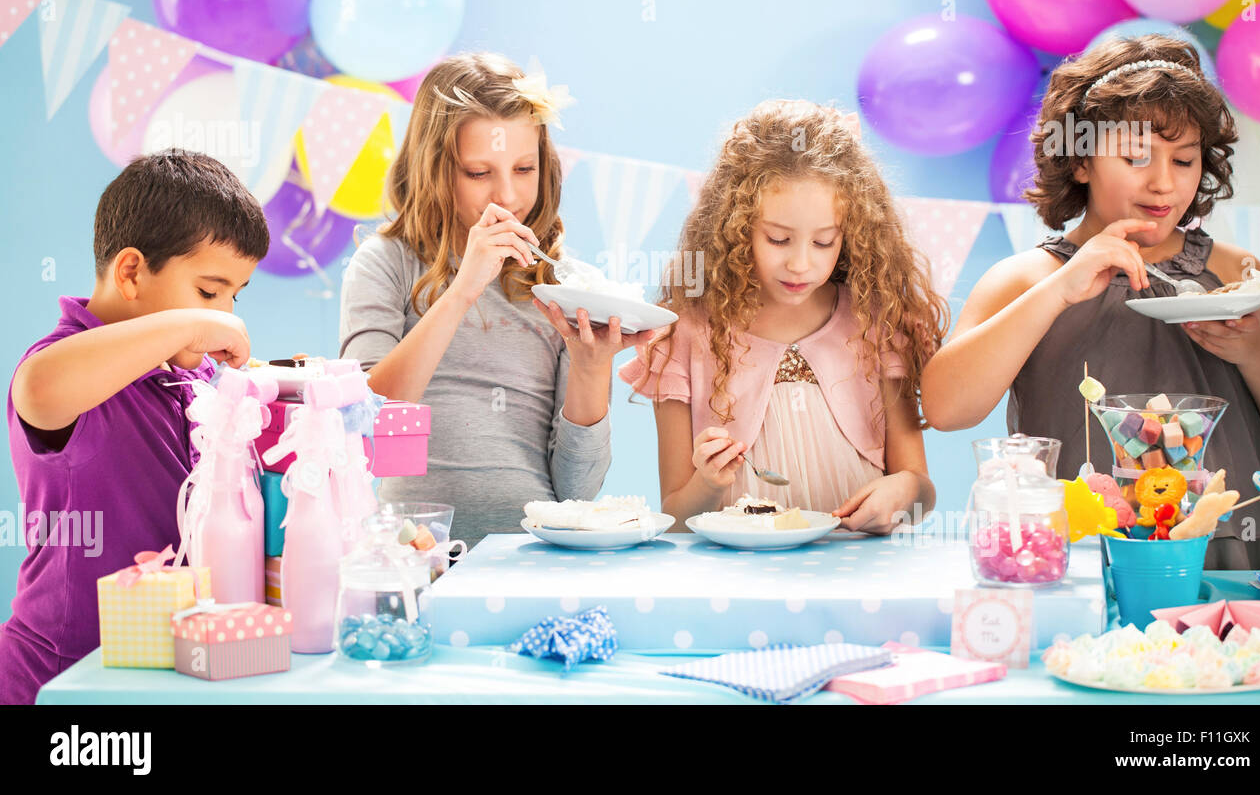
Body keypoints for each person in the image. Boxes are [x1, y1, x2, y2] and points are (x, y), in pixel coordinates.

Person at [921, 35, 1260, 569]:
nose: (1164, 182)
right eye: (1135, 156)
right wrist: (1058, 291)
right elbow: (946, 409)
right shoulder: (1030, 278)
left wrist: (1257, 349)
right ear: (1080, 162)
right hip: (1081, 554)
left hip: (1236, 551)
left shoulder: (1238, 277)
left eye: (1185, 160)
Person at [340, 52, 652, 547]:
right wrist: (463, 290)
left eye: (524, 168)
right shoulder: (386, 264)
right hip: (414, 553)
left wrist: (592, 368)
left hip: (529, 559)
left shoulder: (569, 287)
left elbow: (576, 491)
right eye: (479, 173)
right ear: (435, 171)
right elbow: (368, 425)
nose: (508, 195)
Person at [0, 149, 268, 704]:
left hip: (166, 672)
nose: (226, 316)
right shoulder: (64, 365)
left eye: (233, 298)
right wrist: (192, 323)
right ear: (130, 272)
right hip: (61, 675)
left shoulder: (191, 378)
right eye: (209, 292)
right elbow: (39, 387)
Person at [620, 100, 949, 532]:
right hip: (740, 576)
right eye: (778, 239)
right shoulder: (687, 333)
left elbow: (922, 491)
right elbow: (678, 519)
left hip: (856, 568)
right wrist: (709, 483)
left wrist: (905, 489)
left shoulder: (877, 322)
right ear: (735, 228)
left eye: (823, 242)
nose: (800, 264)